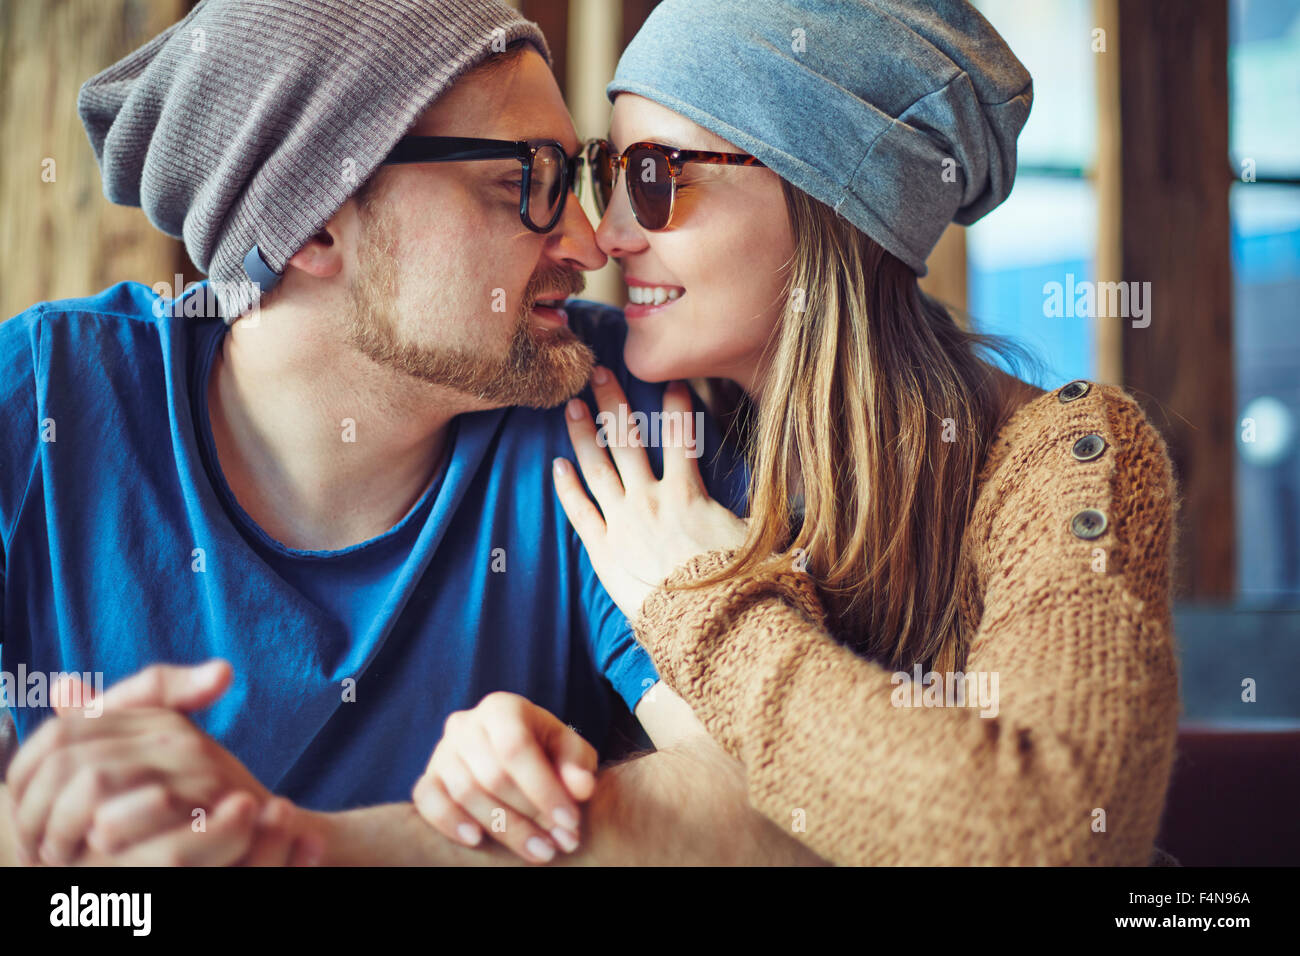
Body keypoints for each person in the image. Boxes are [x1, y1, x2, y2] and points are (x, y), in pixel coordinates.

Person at [0, 0, 826, 868]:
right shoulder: (44, 403)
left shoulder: (608, 405)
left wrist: (315, 850)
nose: (589, 242)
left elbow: (790, 809)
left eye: (571, 174)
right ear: (316, 220)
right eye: (528, 182)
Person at [418, 0, 1182, 866]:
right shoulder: (640, 433)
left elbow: (1047, 837)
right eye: (608, 171)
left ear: (831, 202)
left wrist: (710, 605)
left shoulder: (1068, 464)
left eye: (657, 178)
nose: (607, 234)